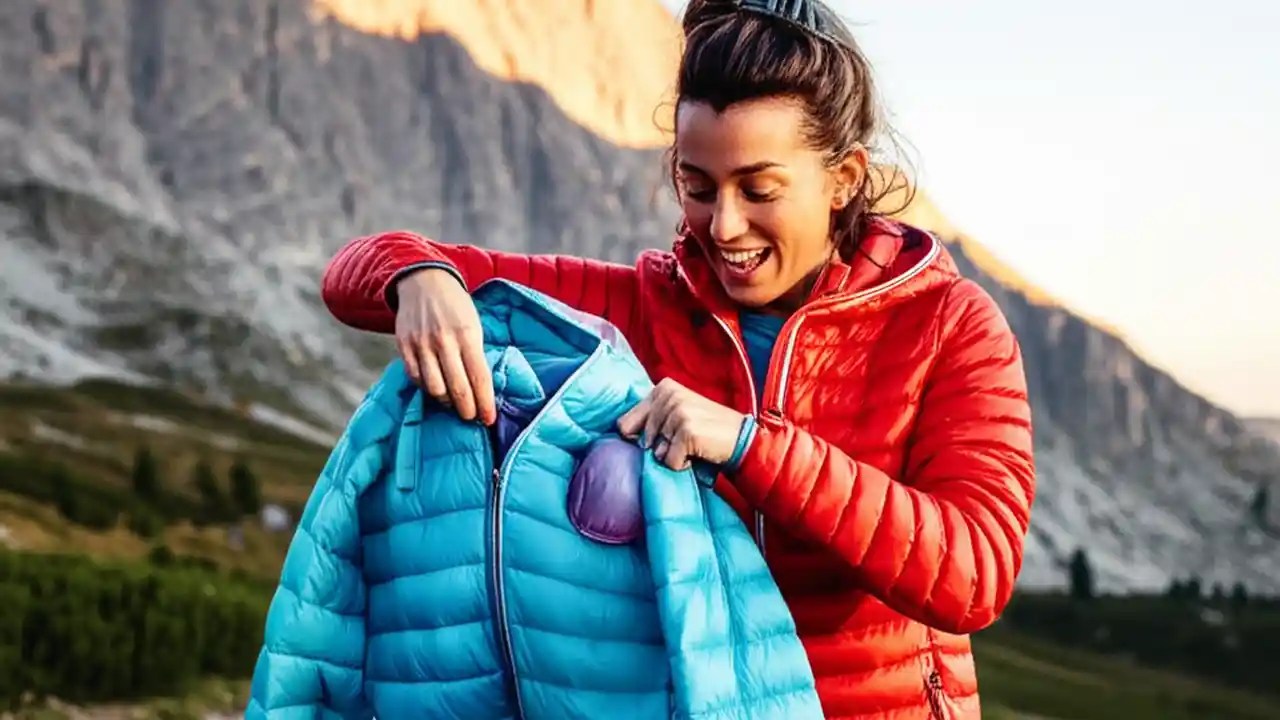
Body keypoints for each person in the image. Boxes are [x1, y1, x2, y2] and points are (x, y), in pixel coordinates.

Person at [318, 0, 1036, 717]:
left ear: (844, 177)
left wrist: (749, 445)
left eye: (759, 190)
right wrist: (419, 277)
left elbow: (974, 574)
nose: (724, 226)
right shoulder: (638, 306)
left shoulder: (947, 323)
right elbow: (354, 277)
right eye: (698, 186)